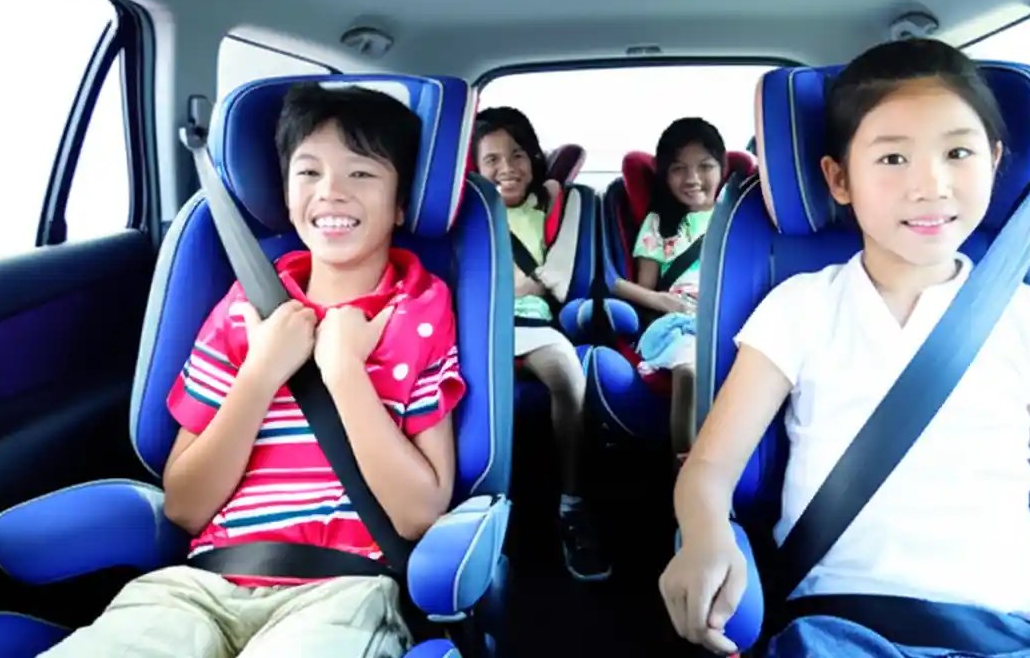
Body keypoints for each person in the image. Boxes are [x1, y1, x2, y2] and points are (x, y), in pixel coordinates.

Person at [658, 39, 1030, 657]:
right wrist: (705, 537)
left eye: (958, 152)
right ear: (838, 179)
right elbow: (708, 469)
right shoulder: (800, 308)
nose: (930, 186)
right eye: (892, 158)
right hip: (840, 627)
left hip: (1014, 629)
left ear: (995, 161)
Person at [41, 83, 466, 657]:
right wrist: (261, 372)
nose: (331, 191)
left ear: (400, 203)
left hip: (342, 587)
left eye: (362, 173)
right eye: (308, 172)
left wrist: (344, 373)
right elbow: (186, 505)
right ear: (286, 194)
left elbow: (418, 516)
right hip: (198, 586)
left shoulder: (419, 311)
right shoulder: (242, 310)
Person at [474, 106, 609, 581]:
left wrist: (527, 286)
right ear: (475, 166)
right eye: (491, 159)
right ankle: (475, 506)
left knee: (567, 373)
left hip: (532, 324)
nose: (506, 168)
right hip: (478, 323)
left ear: (533, 158)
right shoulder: (470, 212)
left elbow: (559, 282)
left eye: (516, 155)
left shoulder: (548, 210)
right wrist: (525, 285)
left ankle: (572, 504)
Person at [612, 117, 725, 463]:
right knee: (689, 369)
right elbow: (642, 288)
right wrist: (666, 302)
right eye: (679, 168)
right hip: (678, 323)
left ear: (722, 168)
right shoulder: (659, 223)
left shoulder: (736, 218)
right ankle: (684, 470)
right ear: (664, 175)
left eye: (704, 166)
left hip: (726, 319)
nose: (692, 178)